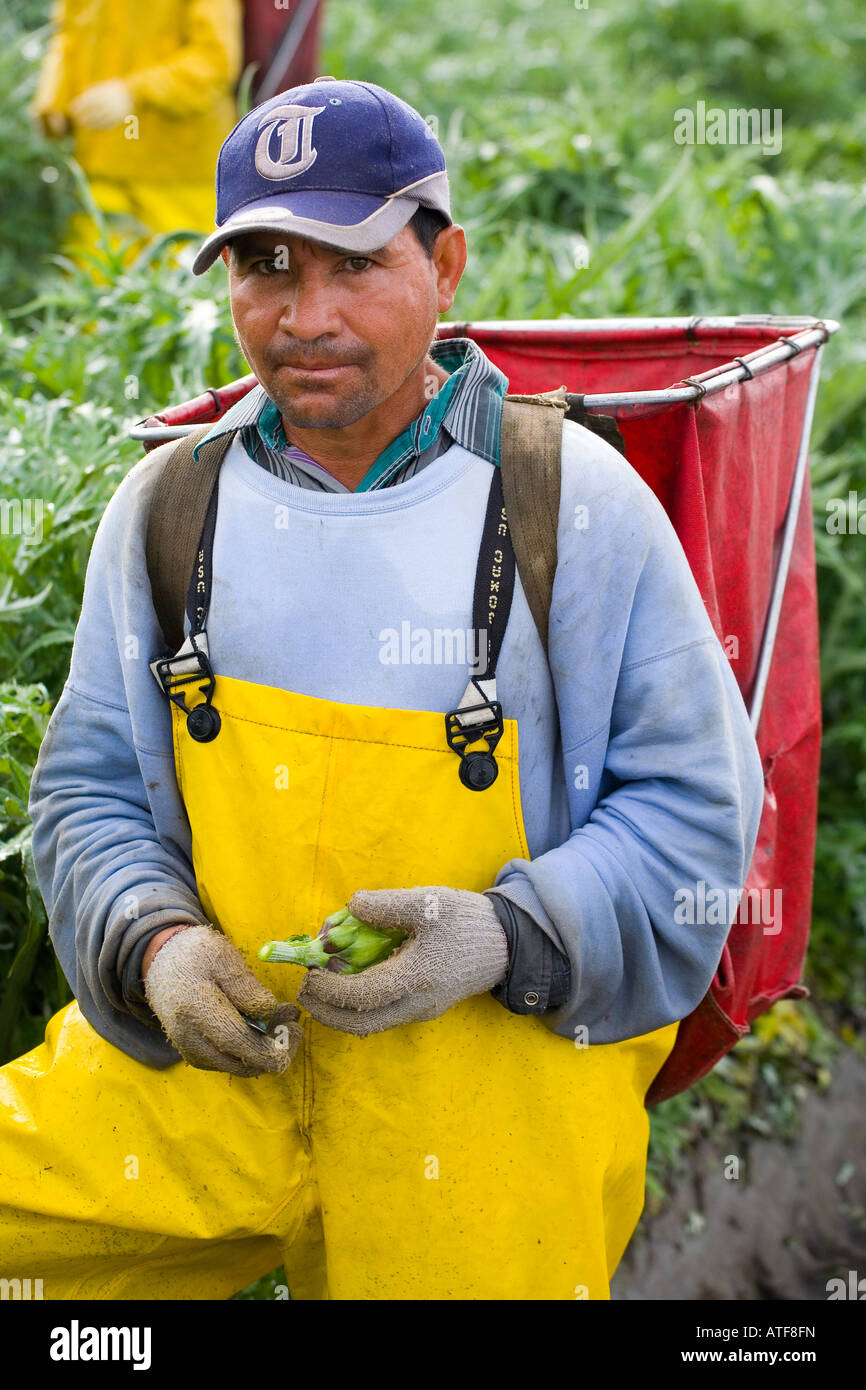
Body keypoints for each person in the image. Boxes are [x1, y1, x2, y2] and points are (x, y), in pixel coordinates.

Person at [0, 78, 765, 1301]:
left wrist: (504, 933)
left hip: (484, 1104)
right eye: (265, 266)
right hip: (214, 1076)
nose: (307, 316)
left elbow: (693, 825)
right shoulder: (166, 510)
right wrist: (153, 947)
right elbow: (87, 794)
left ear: (445, 264)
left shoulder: (570, 504)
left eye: (355, 264)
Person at [31, 0, 243, 251]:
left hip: (177, 175)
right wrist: (55, 101)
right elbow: (67, 34)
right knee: (95, 279)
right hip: (101, 166)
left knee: (180, 278)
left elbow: (214, 61)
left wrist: (134, 92)